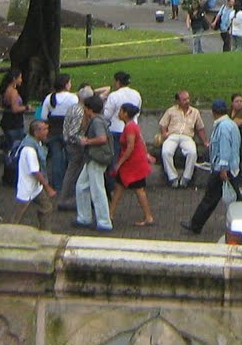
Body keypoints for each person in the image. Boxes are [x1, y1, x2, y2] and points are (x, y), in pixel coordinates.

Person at [182, 100, 241, 235]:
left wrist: (223, 169)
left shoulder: (223, 127)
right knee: (234, 198)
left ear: (213, 112)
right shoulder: (230, 124)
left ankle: (196, 224)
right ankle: (196, 224)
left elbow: (224, 149)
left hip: (222, 169)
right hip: (231, 168)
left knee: (210, 198)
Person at [108, 103, 156, 226]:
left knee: (134, 189)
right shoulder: (133, 126)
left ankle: (148, 216)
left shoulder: (129, 128)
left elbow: (130, 147)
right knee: (122, 188)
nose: (118, 113)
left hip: (132, 164)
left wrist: (119, 163)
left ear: (125, 113)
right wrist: (147, 155)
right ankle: (110, 214)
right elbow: (141, 141)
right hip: (134, 163)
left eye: (120, 111)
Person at [73, 92, 114, 231]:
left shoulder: (96, 122)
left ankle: (103, 221)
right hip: (93, 157)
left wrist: (87, 141)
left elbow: (102, 139)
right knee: (81, 186)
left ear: (90, 109)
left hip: (95, 157)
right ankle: (84, 217)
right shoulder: (100, 119)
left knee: (97, 190)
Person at [10, 119, 56, 227]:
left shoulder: (36, 143)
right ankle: (9, 234)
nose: (47, 132)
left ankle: (44, 232)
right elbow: (35, 171)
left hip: (35, 187)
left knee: (47, 208)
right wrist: (48, 187)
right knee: (17, 216)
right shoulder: (30, 149)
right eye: (44, 129)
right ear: (36, 132)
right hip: (27, 187)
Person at [158, 90, 205, 187]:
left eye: (188, 99)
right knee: (166, 152)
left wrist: (205, 141)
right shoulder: (171, 111)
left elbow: (200, 128)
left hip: (187, 136)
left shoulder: (195, 112)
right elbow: (163, 124)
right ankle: (173, 178)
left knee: (192, 152)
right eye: (184, 100)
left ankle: (186, 178)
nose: (187, 101)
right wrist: (164, 134)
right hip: (172, 135)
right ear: (178, 101)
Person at [41, 74, 76, 190]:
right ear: (66, 85)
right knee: (71, 159)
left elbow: (43, 116)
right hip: (69, 132)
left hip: (53, 132)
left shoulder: (49, 98)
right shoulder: (72, 98)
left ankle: (57, 184)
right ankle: (70, 184)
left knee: (56, 158)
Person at [0, 69, 29, 158]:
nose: (21, 80)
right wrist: (26, 107)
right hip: (15, 123)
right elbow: (15, 109)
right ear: (14, 79)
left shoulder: (5, 90)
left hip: (7, 122)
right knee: (16, 148)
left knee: (9, 147)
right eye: (19, 78)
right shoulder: (13, 92)